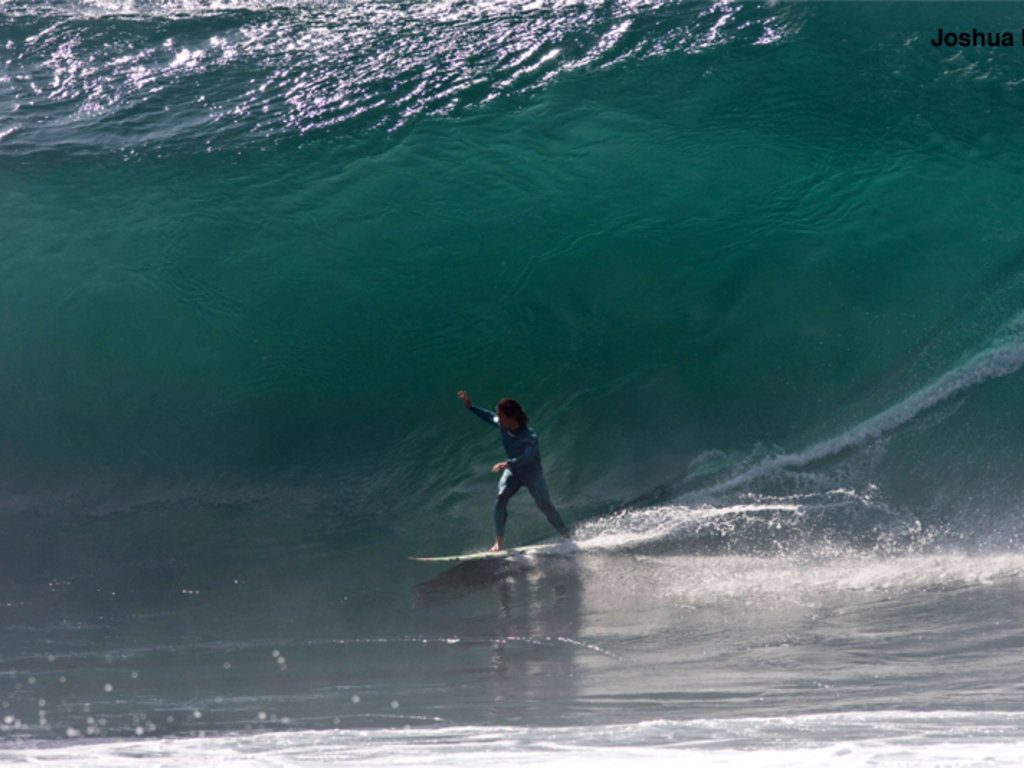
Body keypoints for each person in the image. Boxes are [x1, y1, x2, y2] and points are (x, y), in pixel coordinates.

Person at [457, 390, 571, 551]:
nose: (498, 418)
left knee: (544, 504)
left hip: (531, 473)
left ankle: (567, 537)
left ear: (511, 418)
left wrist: (507, 463)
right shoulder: (503, 425)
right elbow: (489, 416)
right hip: (513, 472)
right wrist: (470, 406)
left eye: (501, 416)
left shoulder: (530, 436)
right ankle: (498, 543)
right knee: (501, 497)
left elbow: (528, 457)